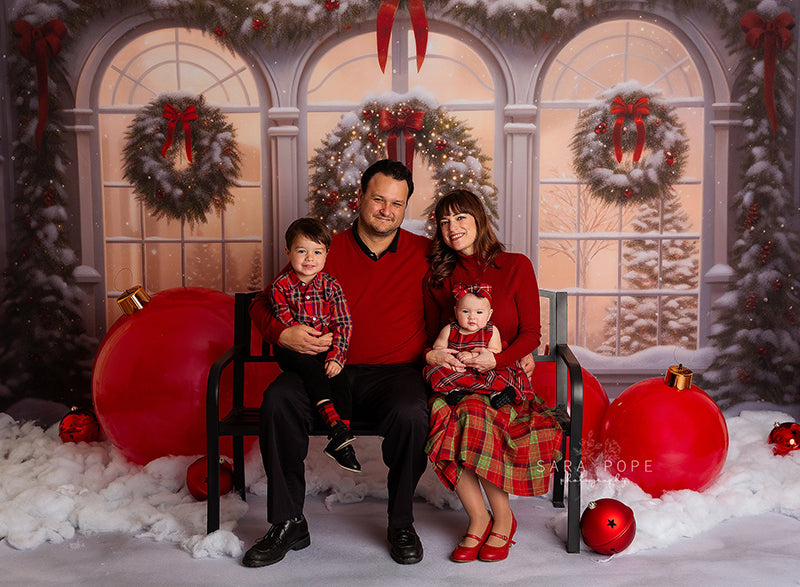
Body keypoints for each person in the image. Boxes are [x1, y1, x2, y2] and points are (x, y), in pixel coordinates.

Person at [244, 159, 431, 568]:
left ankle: (401, 522)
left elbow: (476, 287)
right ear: (360, 198)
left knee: (413, 413)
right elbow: (262, 302)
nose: (386, 210)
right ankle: (288, 521)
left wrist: (517, 343)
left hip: (394, 375)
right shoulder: (324, 249)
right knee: (278, 401)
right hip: (322, 371)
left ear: (405, 209)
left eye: (396, 204)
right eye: (378, 198)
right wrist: (282, 334)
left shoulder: (426, 253)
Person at [423, 189, 563, 563]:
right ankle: (479, 517)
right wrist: (435, 353)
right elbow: (435, 336)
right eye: (444, 222)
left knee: (476, 416)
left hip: (502, 380)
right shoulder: (440, 276)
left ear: (479, 219)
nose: (452, 228)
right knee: (446, 416)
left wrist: (499, 360)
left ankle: (502, 519)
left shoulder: (515, 266)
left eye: (460, 218)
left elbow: (532, 334)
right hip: (456, 378)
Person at [269, 217, 359, 473]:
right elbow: (288, 324)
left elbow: (344, 323)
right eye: (301, 251)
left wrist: (337, 356)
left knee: (340, 376)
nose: (309, 258)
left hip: (325, 349)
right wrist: (318, 340)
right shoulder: (281, 286)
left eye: (317, 252)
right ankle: (335, 427)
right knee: (312, 371)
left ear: (326, 254)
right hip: (294, 351)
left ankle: (342, 441)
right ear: (288, 252)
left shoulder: (331, 286)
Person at [424, 282, 529, 410]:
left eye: (479, 312)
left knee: (501, 373)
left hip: (483, 368)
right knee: (433, 371)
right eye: (465, 311)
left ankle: (497, 394)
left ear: (489, 314)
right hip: (458, 369)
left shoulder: (491, 330)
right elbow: (438, 348)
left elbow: (495, 351)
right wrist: (450, 359)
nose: (472, 317)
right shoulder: (449, 329)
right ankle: (452, 392)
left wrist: (473, 355)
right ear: (456, 312)